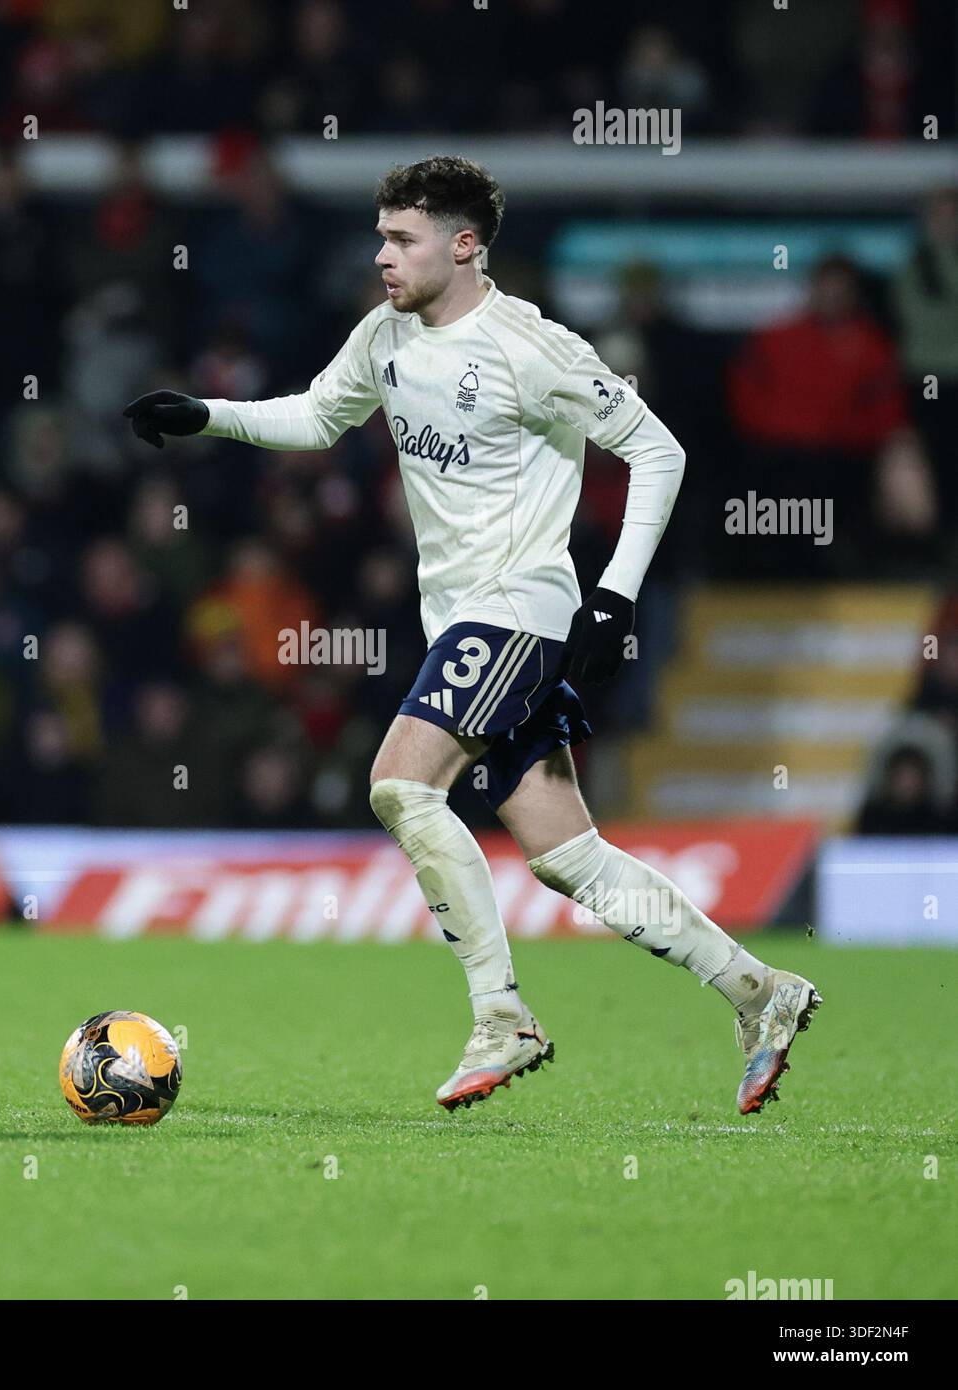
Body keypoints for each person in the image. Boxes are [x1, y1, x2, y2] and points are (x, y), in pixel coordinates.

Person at [125, 155, 821, 1116]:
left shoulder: (530, 348)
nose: (381, 256)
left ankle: (501, 1015)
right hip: (460, 620)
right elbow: (319, 416)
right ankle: (762, 992)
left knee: (400, 785)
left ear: (463, 246)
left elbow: (659, 450)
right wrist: (207, 415)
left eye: (401, 240)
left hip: (520, 608)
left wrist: (613, 595)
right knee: (562, 851)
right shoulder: (388, 333)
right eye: (379, 236)